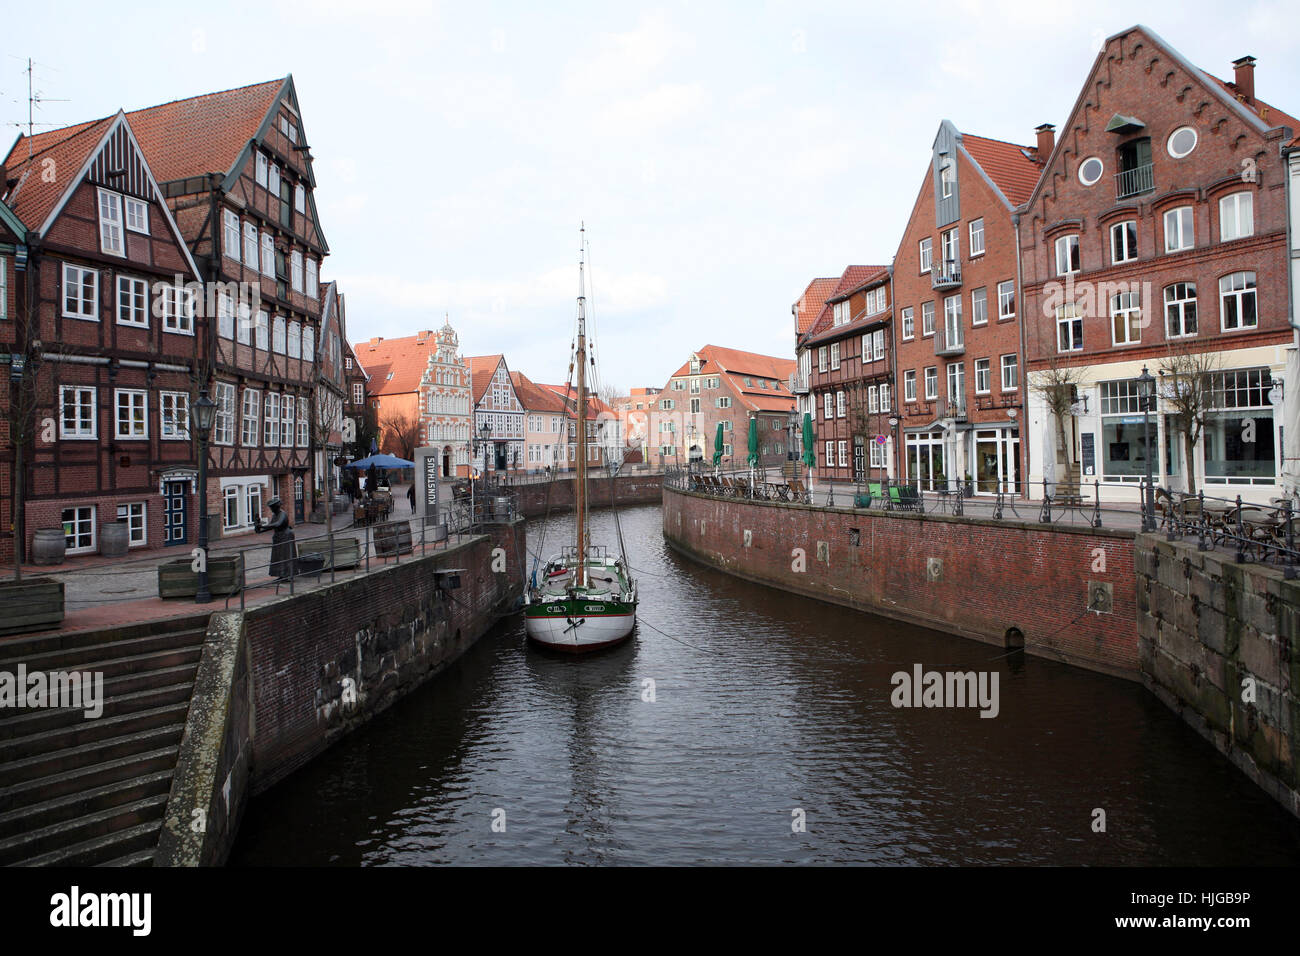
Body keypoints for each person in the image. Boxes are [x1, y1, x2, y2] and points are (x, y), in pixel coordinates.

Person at [254, 496, 296, 580]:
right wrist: (260, 529)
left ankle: (288, 574)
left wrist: (263, 526)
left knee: (286, 555)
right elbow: (271, 526)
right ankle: (281, 574)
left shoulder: (282, 514)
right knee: (278, 556)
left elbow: (277, 524)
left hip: (286, 536)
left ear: (276, 507)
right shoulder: (275, 515)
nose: (271, 509)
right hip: (278, 537)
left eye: (272, 507)